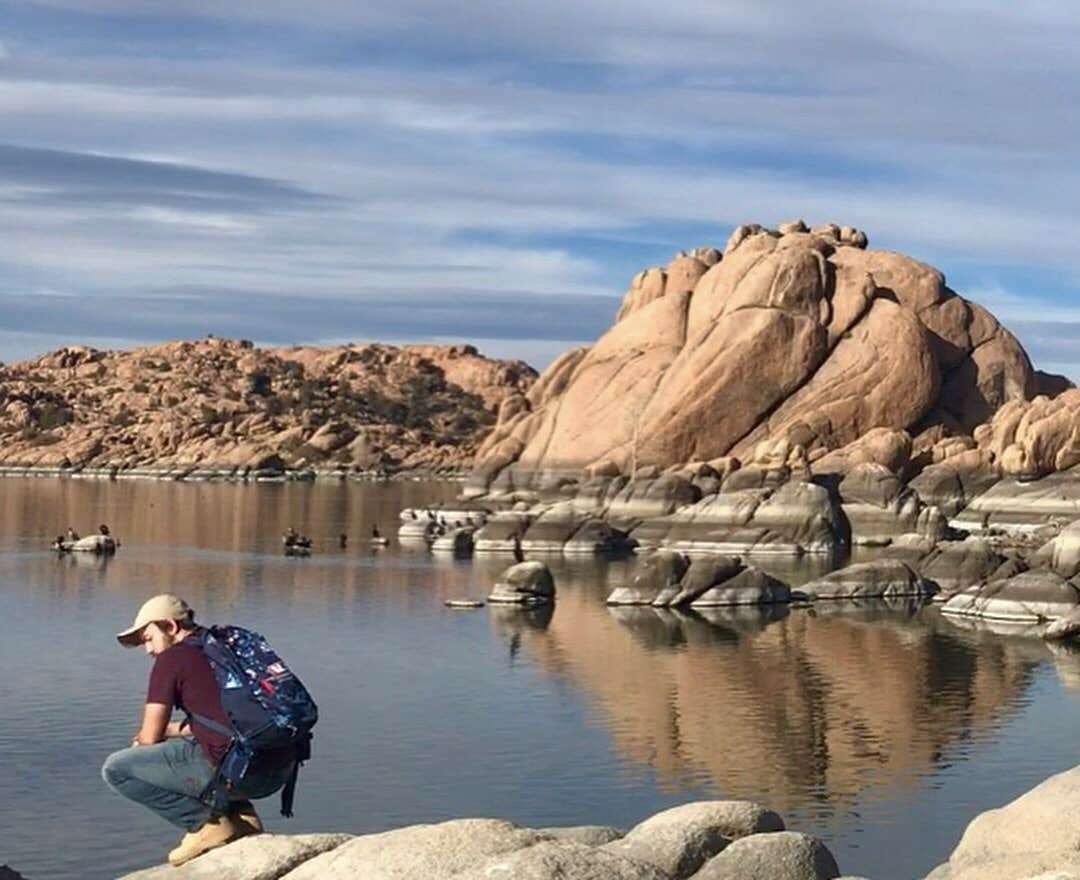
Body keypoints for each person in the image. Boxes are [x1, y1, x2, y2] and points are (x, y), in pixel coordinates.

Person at [101, 595, 295, 866]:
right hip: (278, 771)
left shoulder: (172, 659)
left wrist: (147, 744)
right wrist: (175, 730)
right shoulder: (225, 646)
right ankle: (241, 816)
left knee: (117, 769)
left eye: (148, 638)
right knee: (202, 746)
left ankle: (207, 824)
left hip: (239, 773)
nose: (148, 650)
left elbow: (148, 738)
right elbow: (229, 717)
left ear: (170, 626)